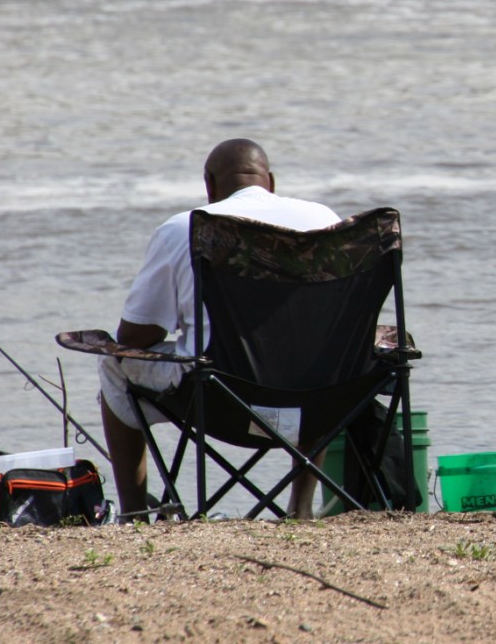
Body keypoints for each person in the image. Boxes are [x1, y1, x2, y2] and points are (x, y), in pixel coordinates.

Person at [99, 139, 340, 519]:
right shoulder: (325, 221)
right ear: (270, 182)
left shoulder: (184, 228)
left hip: (222, 400)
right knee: (312, 355)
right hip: (323, 401)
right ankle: (300, 508)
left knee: (114, 364)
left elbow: (134, 337)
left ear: (209, 185)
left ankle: (133, 516)